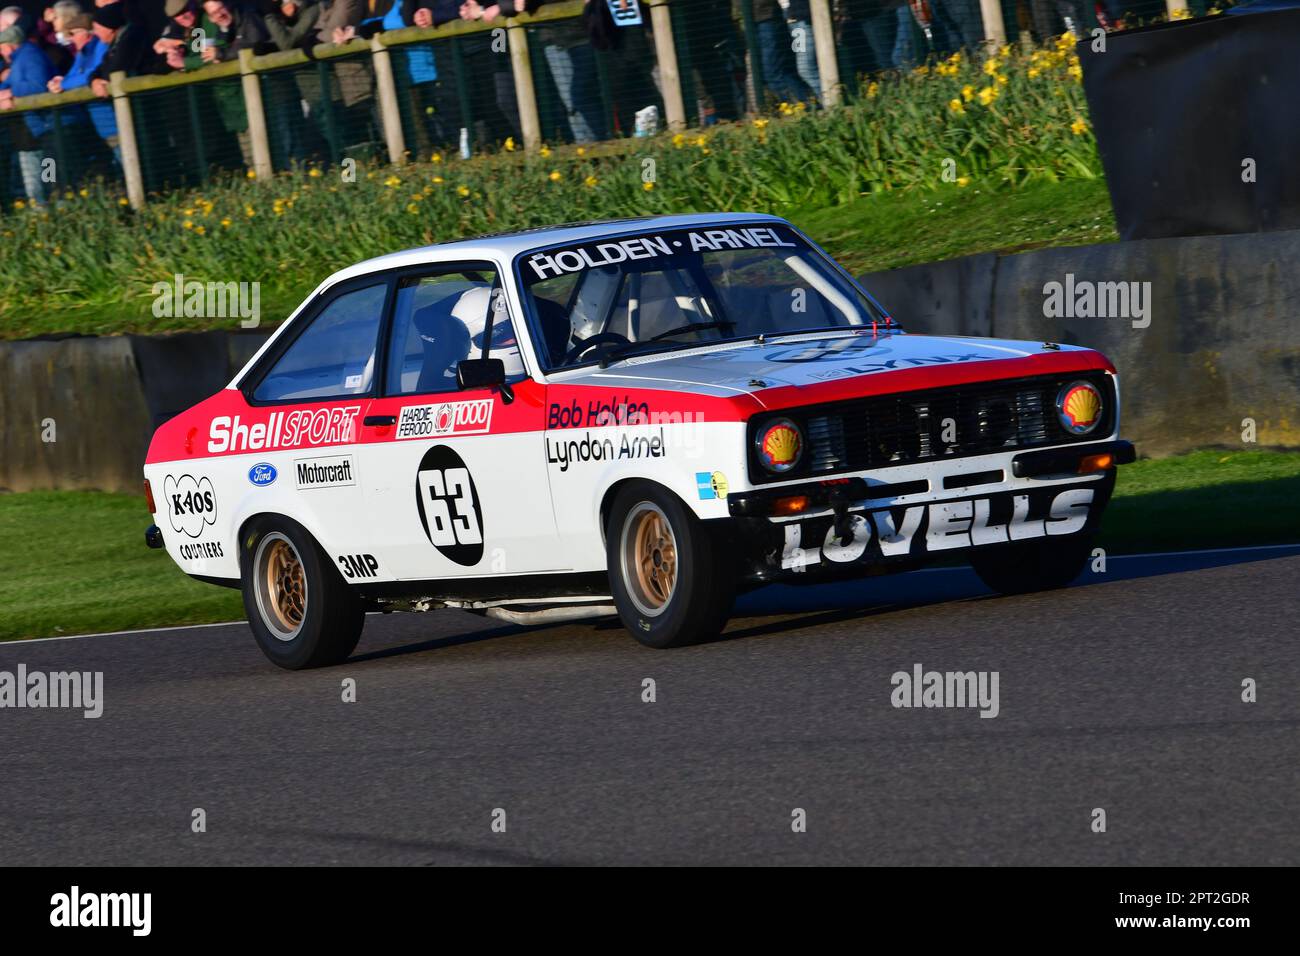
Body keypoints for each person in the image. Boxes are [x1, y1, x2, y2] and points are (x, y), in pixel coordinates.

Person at [48, 12, 120, 167]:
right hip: (102, 124)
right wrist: (59, 81)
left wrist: (64, 84)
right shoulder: (82, 53)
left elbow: (91, 74)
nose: (71, 39)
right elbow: (72, 76)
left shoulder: (101, 46)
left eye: (73, 33)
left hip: (115, 120)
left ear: (86, 33)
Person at [0, 22, 56, 205]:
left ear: (7, 45)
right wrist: (4, 93)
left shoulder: (30, 56)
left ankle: (58, 207)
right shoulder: (18, 61)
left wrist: (12, 92)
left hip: (52, 127)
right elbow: (7, 86)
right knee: (43, 177)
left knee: (52, 175)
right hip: (40, 129)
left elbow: (38, 85)